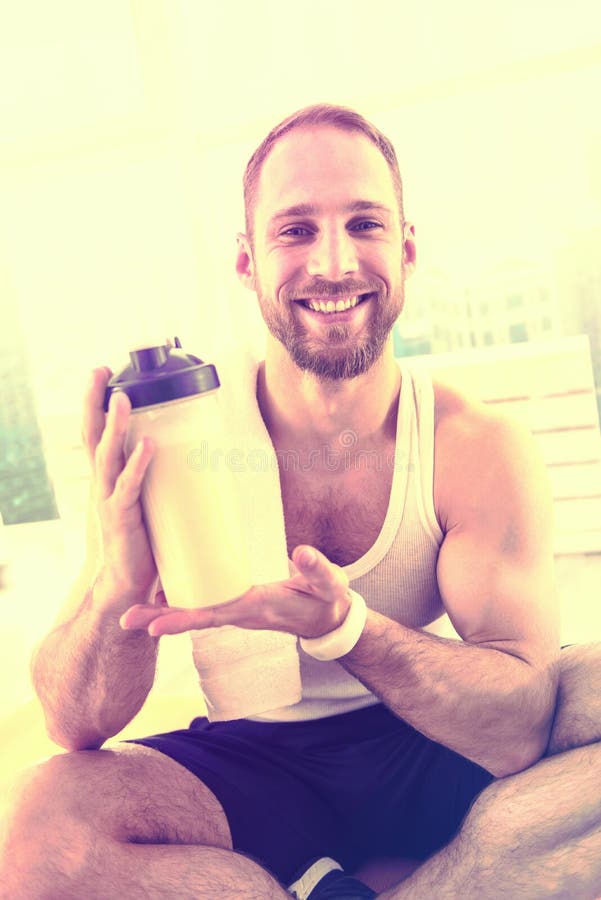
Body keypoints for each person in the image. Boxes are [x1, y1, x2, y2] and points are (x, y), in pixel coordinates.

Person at [1, 103, 600, 900]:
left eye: (363, 224)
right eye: (295, 230)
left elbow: (517, 725)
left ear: (405, 248)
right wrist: (119, 581)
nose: (333, 262)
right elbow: (74, 721)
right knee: (43, 828)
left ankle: (427, 883)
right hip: (252, 764)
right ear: (246, 261)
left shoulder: (475, 446)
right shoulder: (173, 432)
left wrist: (344, 628)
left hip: (424, 735)